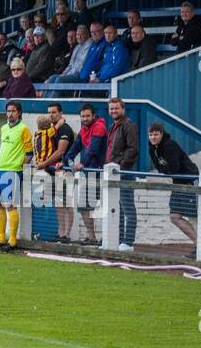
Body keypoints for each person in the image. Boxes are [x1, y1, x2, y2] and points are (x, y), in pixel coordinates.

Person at [148, 122, 199, 243]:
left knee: (194, 218)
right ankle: (198, 245)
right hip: (177, 184)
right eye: (151, 134)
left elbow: (174, 169)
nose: (153, 137)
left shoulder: (169, 145)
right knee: (174, 217)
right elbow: (161, 169)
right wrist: (166, 169)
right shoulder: (152, 148)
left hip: (189, 182)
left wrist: (166, 170)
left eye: (156, 134)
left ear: (161, 134)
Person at [0, 99, 35, 251]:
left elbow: (29, 153)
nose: (10, 114)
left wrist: (19, 167)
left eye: (13, 111)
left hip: (12, 170)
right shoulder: (3, 128)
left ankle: (12, 240)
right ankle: (0, 237)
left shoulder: (23, 129)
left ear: (19, 113)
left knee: (10, 205)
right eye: (8, 111)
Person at [35, 102, 76, 242]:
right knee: (59, 203)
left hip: (64, 170)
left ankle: (67, 234)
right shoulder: (50, 130)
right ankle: (60, 233)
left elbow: (61, 151)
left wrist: (44, 163)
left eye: (54, 112)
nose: (51, 115)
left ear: (60, 113)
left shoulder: (64, 128)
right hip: (53, 171)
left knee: (67, 203)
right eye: (49, 112)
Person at [70, 103, 108, 244]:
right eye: (82, 116)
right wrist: (66, 160)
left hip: (100, 173)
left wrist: (82, 163)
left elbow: (93, 149)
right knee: (84, 206)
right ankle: (92, 237)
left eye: (87, 116)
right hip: (89, 174)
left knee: (106, 207)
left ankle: (108, 238)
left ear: (93, 115)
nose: (85, 118)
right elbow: (75, 146)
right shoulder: (83, 129)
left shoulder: (99, 127)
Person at [105, 96, 140, 251]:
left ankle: (128, 242)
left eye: (116, 108)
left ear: (123, 109)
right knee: (116, 209)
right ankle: (117, 240)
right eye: (111, 108)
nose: (113, 111)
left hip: (123, 173)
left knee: (128, 208)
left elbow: (133, 149)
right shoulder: (113, 126)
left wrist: (121, 168)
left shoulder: (128, 125)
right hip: (113, 172)